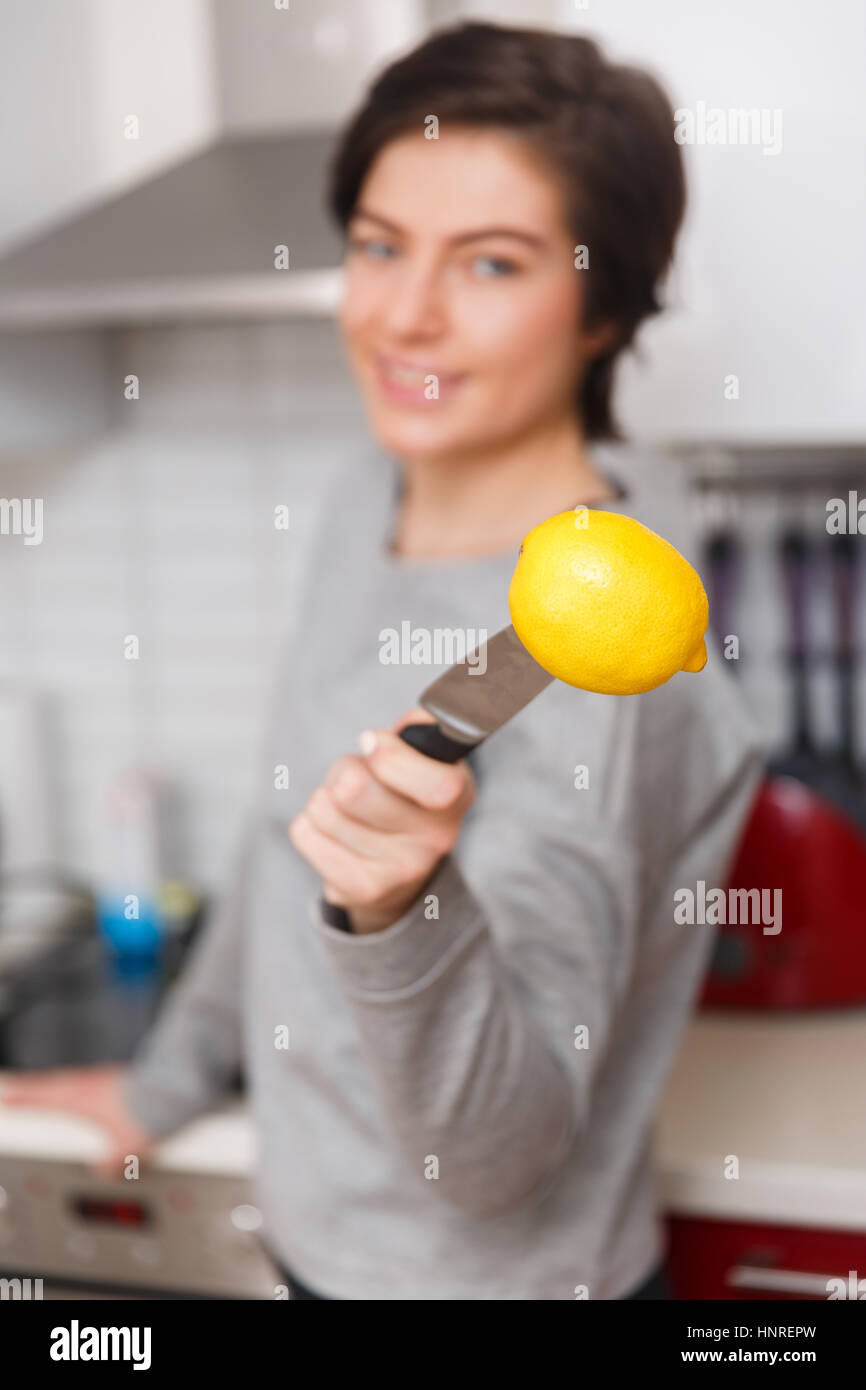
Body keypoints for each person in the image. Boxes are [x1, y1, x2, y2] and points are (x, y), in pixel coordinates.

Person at [1, 22, 763, 1300]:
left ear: (603, 311)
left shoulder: (614, 676)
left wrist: (400, 908)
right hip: (311, 1241)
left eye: (491, 263)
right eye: (378, 243)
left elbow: (495, 1159)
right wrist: (164, 1078)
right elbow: (276, 830)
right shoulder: (374, 492)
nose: (402, 315)